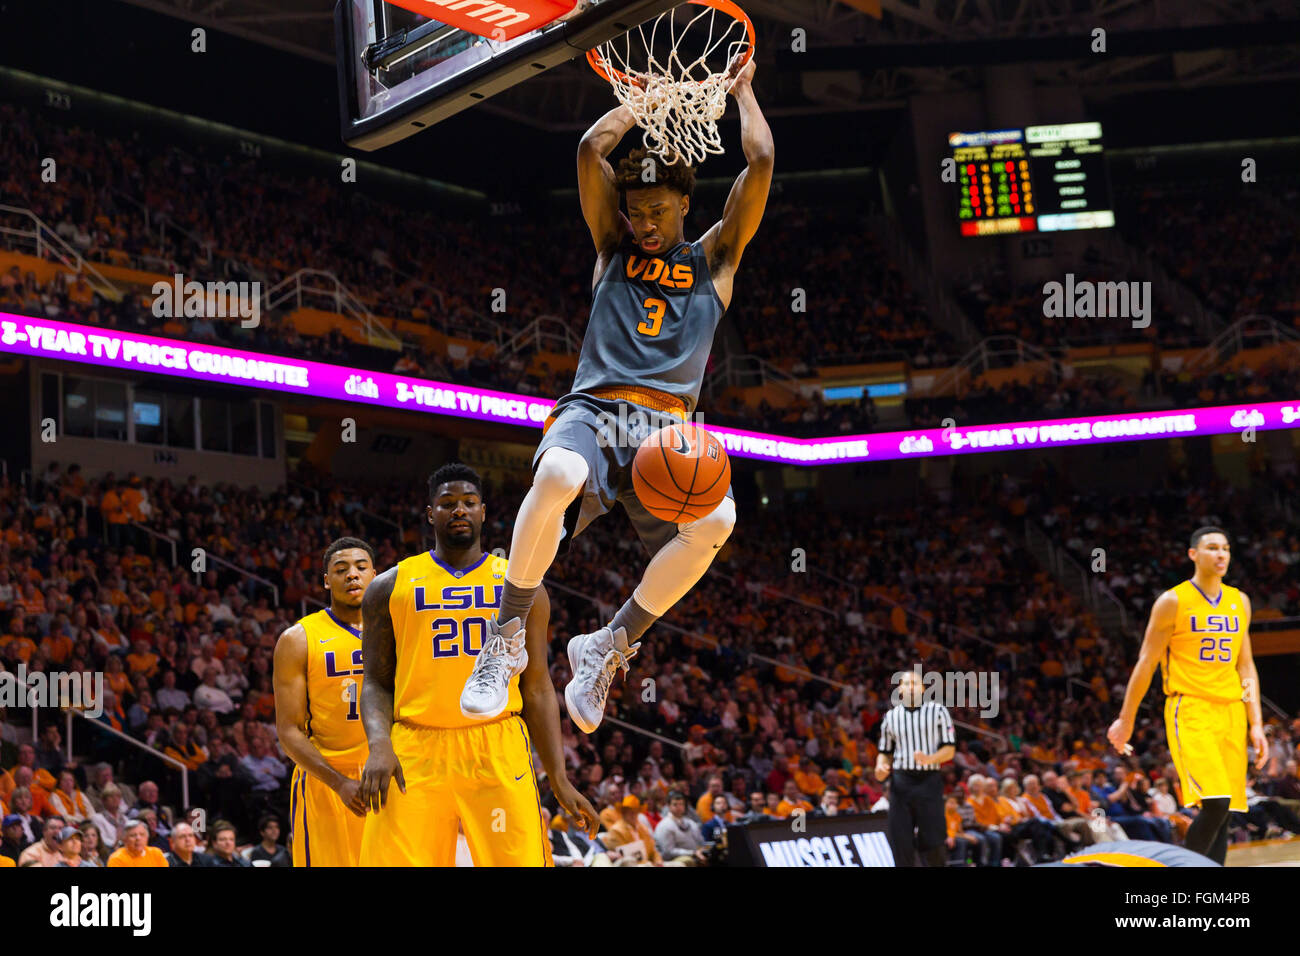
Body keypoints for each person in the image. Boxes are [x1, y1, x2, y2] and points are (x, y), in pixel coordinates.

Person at [459, 55, 773, 736]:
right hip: (595, 407)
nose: (647, 225)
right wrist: (646, 99)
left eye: (659, 211)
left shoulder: (715, 259)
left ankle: (610, 643)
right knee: (562, 472)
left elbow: (761, 162)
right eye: (637, 214)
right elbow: (590, 149)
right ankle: (505, 635)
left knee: (718, 522)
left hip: (668, 431)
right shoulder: (612, 245)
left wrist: (742, 91)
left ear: (687, 203)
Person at [358, 463, 597, 866]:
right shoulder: (388, 586)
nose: (459, 510)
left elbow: (536, 685)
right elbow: (376, 683)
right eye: (447, 503)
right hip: (415, 749)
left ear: (483, 512)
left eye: (469, 503)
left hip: (496, 745)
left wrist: (558, 775)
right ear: (430, 513)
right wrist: (379, 745)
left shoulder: (523, 585)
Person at [1108, 527, 1267, 865]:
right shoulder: (1172, 601)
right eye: (1212, 548)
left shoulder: (1240, 601)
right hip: (1191, 708)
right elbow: (1146, 662)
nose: (1221, 554)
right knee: (1216, 802)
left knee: (1227, 811)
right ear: (1193, 554)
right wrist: (1126, 719)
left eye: (1225, 548)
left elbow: (1247, 666)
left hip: (1231, 710)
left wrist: (1256, 723)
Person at [273, 537, 376, 867]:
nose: (352, 575)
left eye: (361, 568)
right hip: (327, 780)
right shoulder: (298, 638)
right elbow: (288, 732)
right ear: (326, 580)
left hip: (389, 773)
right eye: (341, 569)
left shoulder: (399, 629)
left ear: (376, 574)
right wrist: (340, 783)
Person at [876, 668, 955, 867]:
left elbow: (949, 749)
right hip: (901, 782)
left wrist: (930, 758)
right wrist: (880, 767)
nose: (911, 687)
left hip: (929, 780)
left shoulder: (938, 711)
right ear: (900, 689)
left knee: (934, 839)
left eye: (915, 683)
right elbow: (884, 751)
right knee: (900, 839)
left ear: (923, 688)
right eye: (906, 684)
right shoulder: (890, 717)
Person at [653, 790, 708, 865]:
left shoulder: (691, 823)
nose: (679, 807)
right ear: (669, 806)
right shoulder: (664, 825)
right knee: (688, 860)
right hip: (673, 860)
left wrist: (703, 850)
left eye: (681, 804)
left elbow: (701, 841)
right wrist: (692, 853)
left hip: (695, 853)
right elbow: (668, 852)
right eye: (675, 804)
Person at [91, 784, 129, 848]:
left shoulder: (125, 819)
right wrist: (117, 843)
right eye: (111, 796)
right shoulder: (97, 818)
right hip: (109, 849)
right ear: (103, 801)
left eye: (117, 796)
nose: (115, 799)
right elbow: (102, 839)